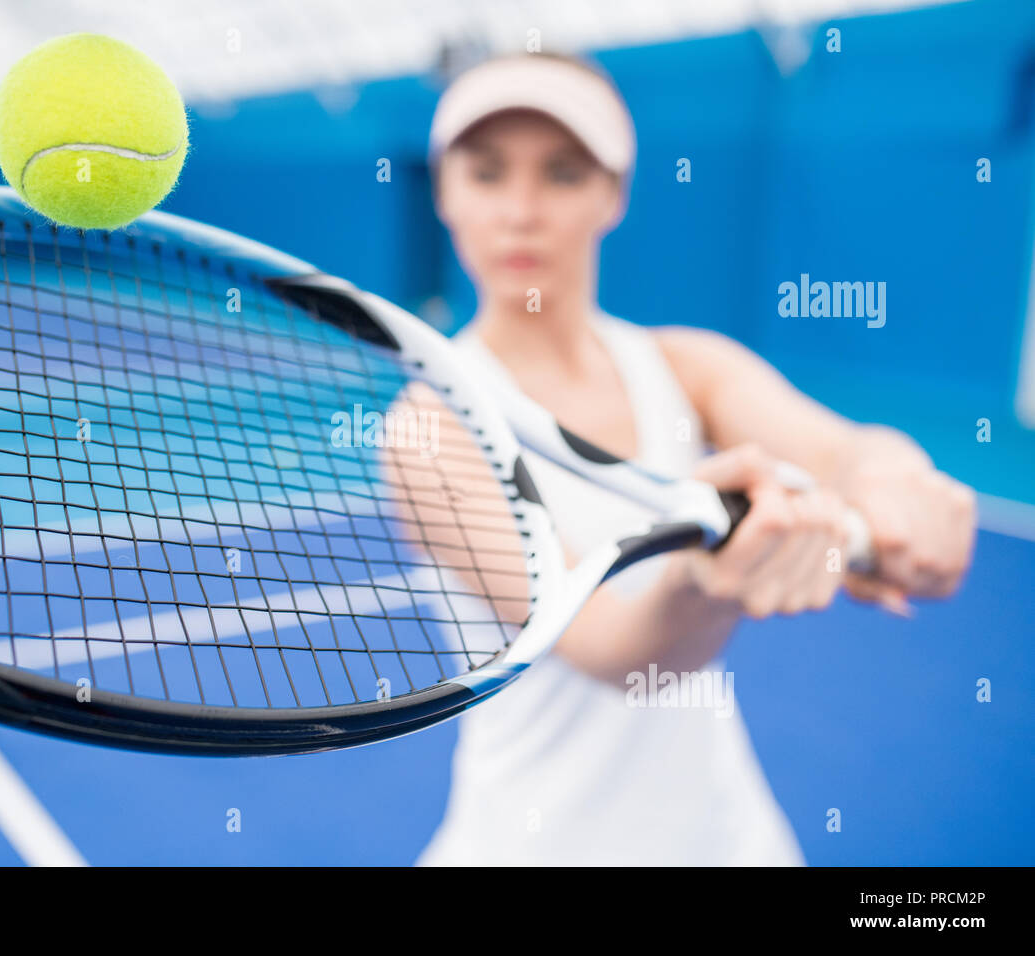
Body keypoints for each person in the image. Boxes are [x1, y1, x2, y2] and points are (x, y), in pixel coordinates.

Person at [411, 52, 977, 866]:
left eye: (563, 174)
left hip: (726, 836)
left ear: (613, 196)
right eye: (488, 174)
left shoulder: (686, 365)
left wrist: (902, 486)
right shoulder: (428, 426)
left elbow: (846, 450)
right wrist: (702, 578)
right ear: (446, 193)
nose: (521, 211)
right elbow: (608, 646)